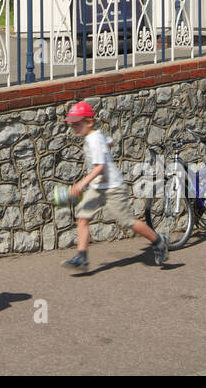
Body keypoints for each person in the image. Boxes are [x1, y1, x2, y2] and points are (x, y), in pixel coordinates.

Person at [60, 100, 168, 269]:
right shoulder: (96, 136)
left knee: (127, 222)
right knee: (82, 217)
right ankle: (82, 257)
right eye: (71, 123)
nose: (73, 126)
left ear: (88, 122)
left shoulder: (94, 140)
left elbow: (100, 167)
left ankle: (158, 240)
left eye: (77, 123)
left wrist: (81, 184)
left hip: (113, 188)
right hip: (97, 188)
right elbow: (111, 142)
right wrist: (106, 145)